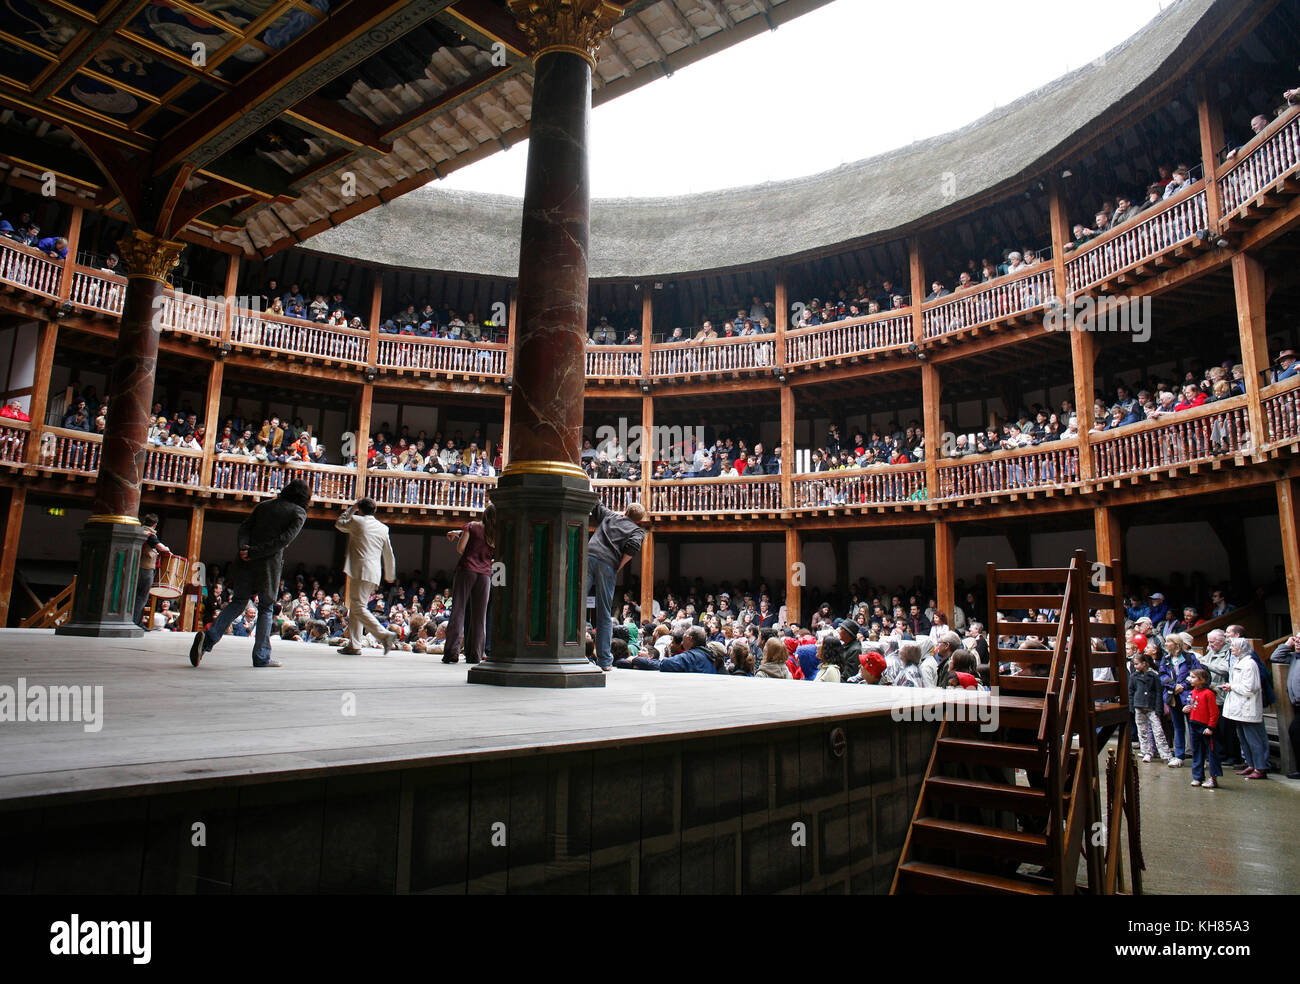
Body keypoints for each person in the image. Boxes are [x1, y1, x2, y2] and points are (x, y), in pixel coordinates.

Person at [188, 479, 311, 668]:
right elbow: (283, 540)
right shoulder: (298, 512)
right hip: (268, 564)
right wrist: (256, 552)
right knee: (266, 607)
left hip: (245, 560)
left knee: (238, 601)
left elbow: (244, 527)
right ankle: (261, 657)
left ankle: (207, 640)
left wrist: (245, 548)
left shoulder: (264, 506)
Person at [585, 500, 648, 671]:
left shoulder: (611, 516)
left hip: (588, 556)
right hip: (608, 564)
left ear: (625, 512)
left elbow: (596, 504)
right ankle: (605, 661)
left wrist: (588, 482)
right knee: (604, 612)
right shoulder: (637, 531)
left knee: (574, 604)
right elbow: (632, 549)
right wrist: (617, 567)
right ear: (638, 520)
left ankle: (569, 650)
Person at [334, 497, 398, 655]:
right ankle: (355, 645)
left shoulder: (356, 520)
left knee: (357, 607)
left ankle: (384, 635)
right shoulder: (383, 528)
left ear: (360, 509)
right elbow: (389, 554)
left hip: (360, 570)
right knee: (357, 607)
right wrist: (390, 574)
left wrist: (352, 509)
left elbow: (340, 523)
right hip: (374, 571)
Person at [443, 502, 495, 665]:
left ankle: (452, 651)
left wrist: (463, 535)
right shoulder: (496, 533)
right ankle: (475, 654)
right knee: (480, 616)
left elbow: (461, 549)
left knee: (458, 610)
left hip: (466, 569)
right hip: (485, 574)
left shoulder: (471, 526)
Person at [1220, 637, 1267, 779]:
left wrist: (1231, 686)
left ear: (1241, 649)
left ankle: (1260, 767)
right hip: (1237, 707)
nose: (1231, 648)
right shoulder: (1239, 662)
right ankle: (1251, 764)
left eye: (1234, 646)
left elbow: (1249, 688)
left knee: (1253, 739)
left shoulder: (1250, 664)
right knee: (1243, 738)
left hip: (1247, 707)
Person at [1129, 653, 1175, 764]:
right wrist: (1131, 706)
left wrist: (1159, 708)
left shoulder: (1154, 676)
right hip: (1139, 705)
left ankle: (1165, 754)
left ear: (1144, 663)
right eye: (1134, 664)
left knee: (1158, 731)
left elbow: (1159, 692)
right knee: (1142, 731)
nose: (1135, 666)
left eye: (1137, 664)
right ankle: (1146, 752)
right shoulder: (1134, 676)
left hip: (1151, 706)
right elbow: (1131, 692)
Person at [1183, 668, 1221, 789]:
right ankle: (1198, 776)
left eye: (1193, 677)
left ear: (1202, 680)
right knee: (1197, 752)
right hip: (1194, 724)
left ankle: (1213, 777)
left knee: (1211, 753)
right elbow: (1192, 707)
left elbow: (1214, 713)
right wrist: (1185, 710)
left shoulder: (1208, 694)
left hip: (1205, 726)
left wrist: (1210, 727)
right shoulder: (1192, 692)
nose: (1190, 679)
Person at [133, 513, 172, 630]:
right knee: (142, 597)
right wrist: (167, 549)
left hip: (136, 567)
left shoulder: (139, 530)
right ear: (155, 524)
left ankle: (136, 622)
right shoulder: (150, 535)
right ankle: (135, 622)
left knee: (136, 596)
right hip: (146, 568)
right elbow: (161, 548)